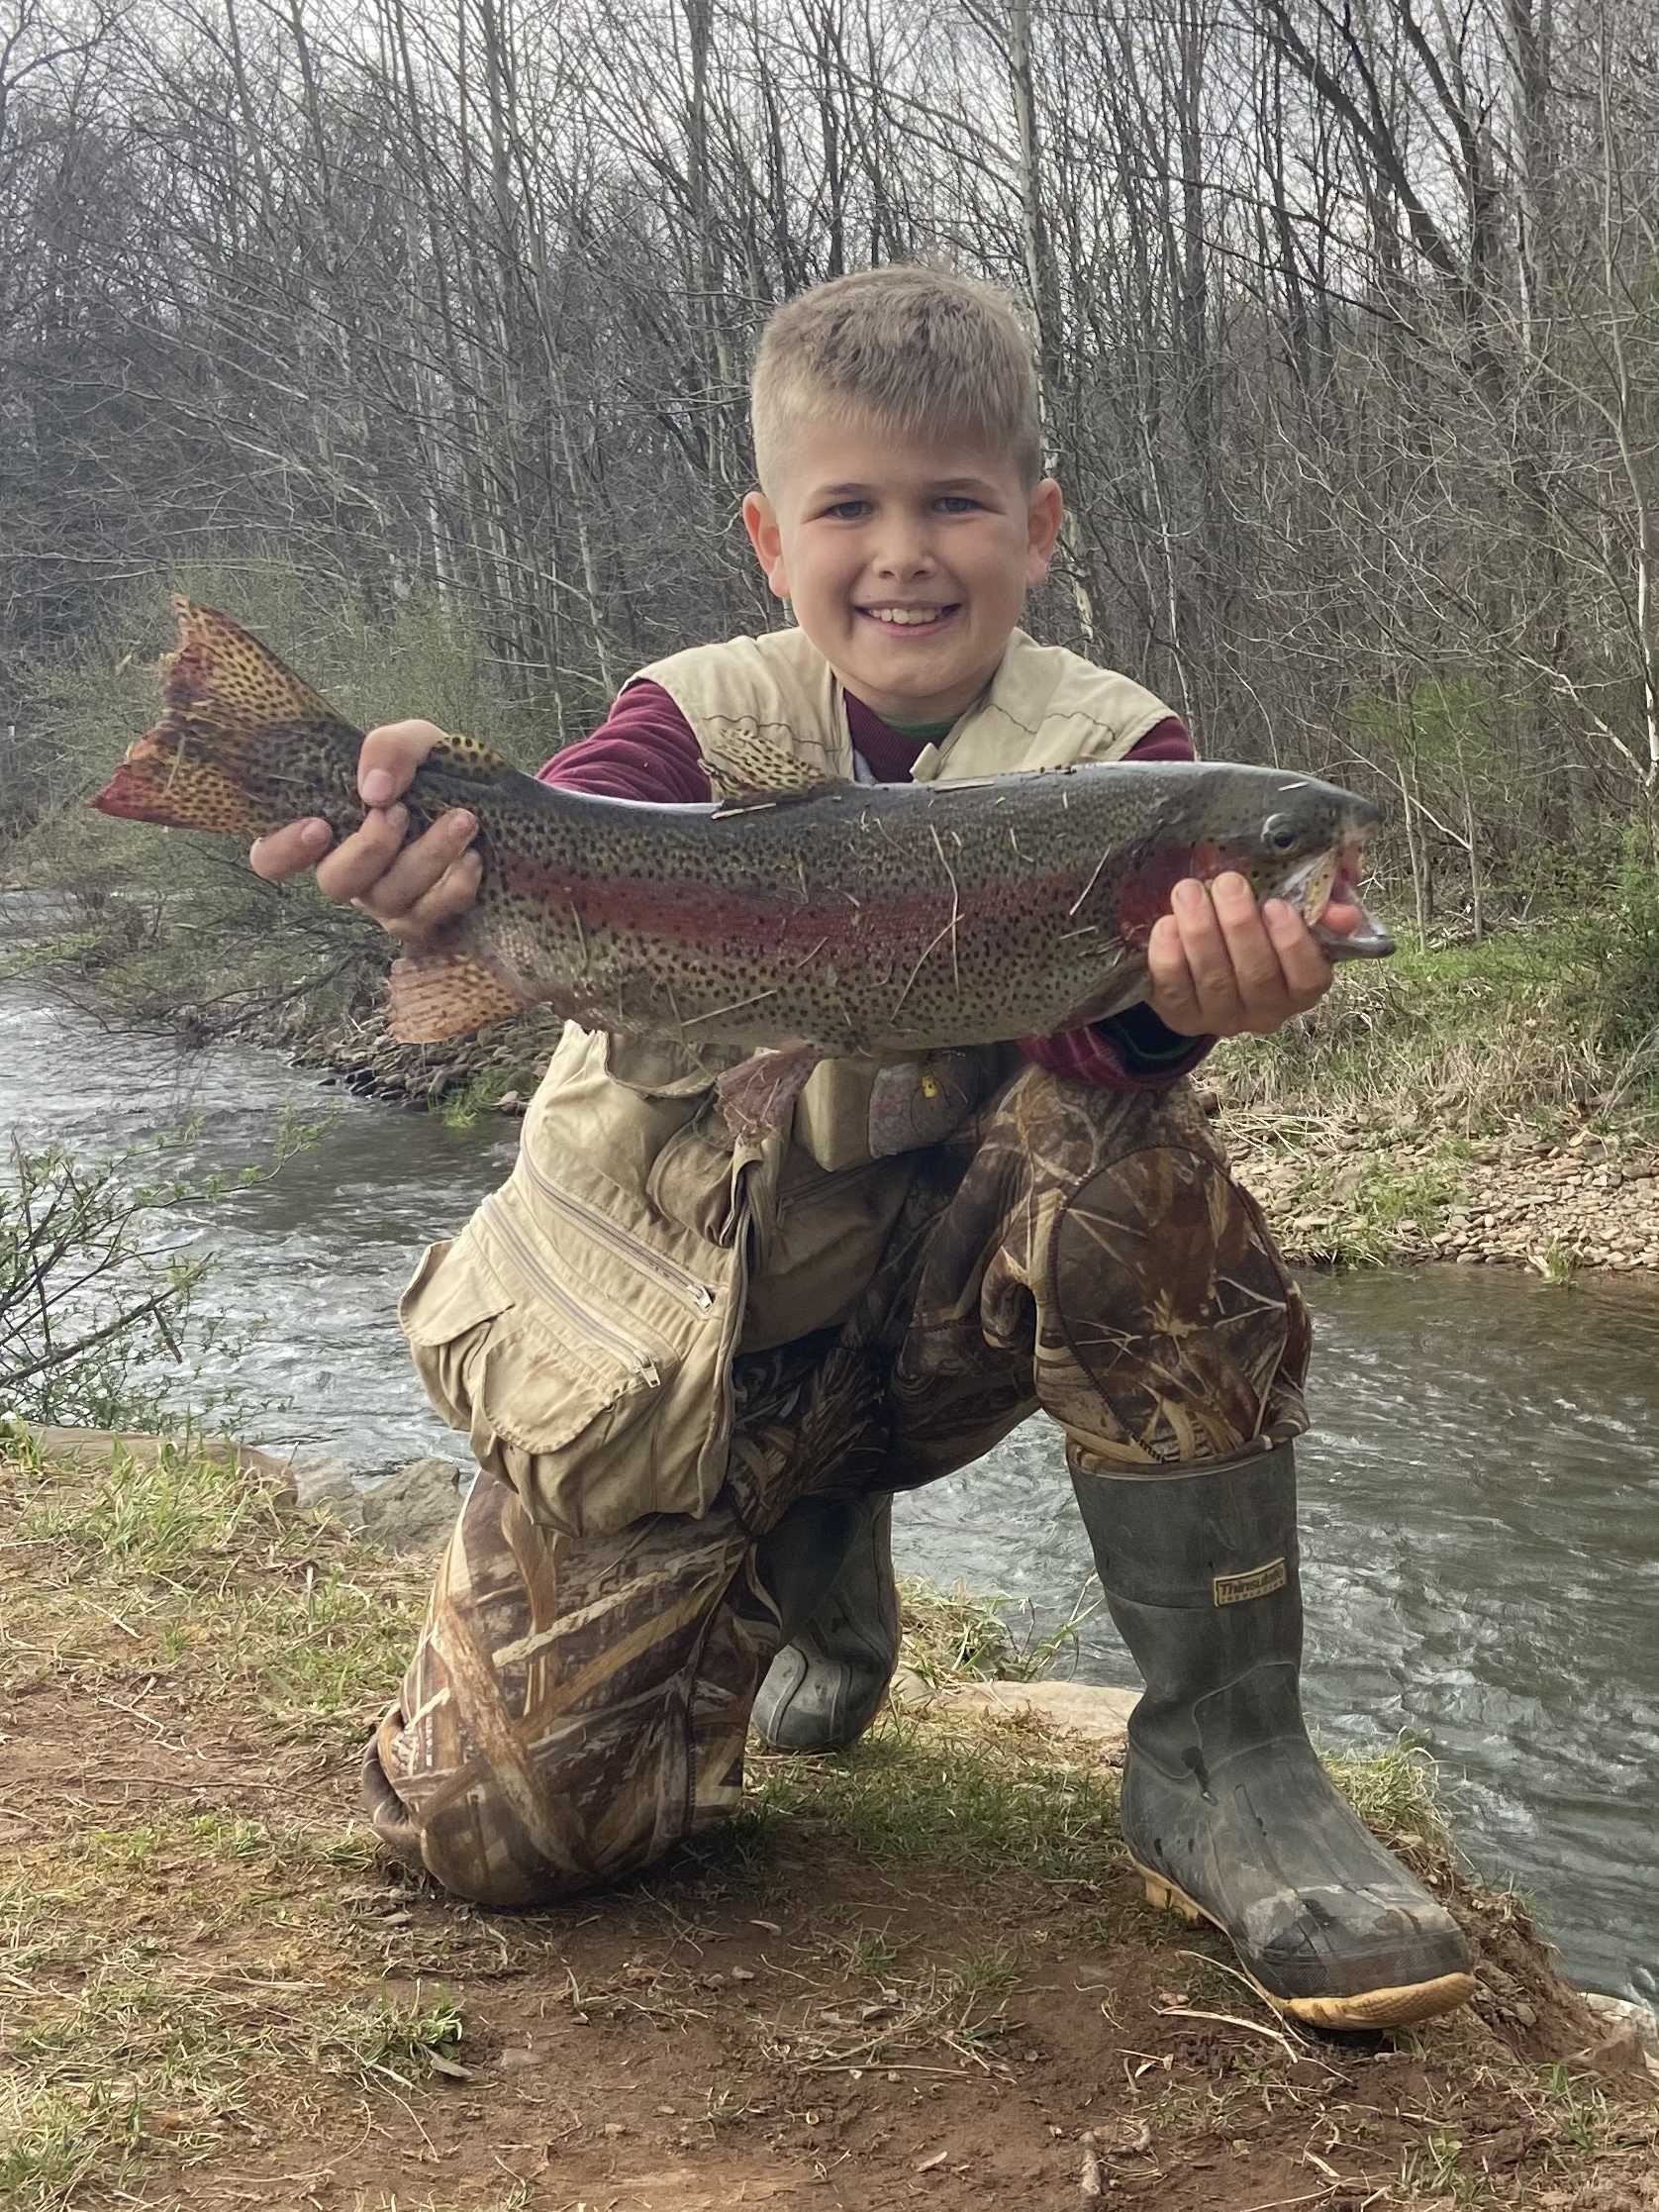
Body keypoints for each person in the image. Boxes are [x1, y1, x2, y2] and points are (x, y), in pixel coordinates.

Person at [250, 267, 1473, 2030]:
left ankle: (1227, 1760)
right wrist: (429, 840)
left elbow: (1087, 1038)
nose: (905, 551)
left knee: (1139, 1142)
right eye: (852, 508)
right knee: (486, 1837)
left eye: (956, 504)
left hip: (927, 1327)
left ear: (1036, 527)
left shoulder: (1127, 765)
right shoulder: (688, 724)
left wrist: (1179, 1007)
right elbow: (576, 822)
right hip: (680, 1363)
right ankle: (796, 1571)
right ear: (771, 536)